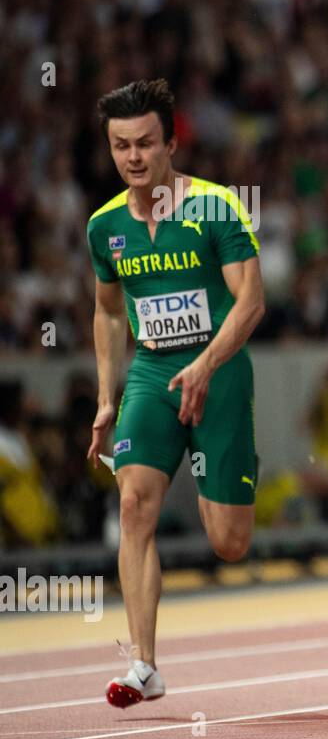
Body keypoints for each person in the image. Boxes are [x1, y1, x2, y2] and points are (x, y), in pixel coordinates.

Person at [86, 79, 264, 705]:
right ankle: (144, 665)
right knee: (134, 505)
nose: (133, 158)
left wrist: (208, 364)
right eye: (120, 146)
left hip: (219, 372)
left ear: (171, 143)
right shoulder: (104, 227)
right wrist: (108, 399)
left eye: (145, 144)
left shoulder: (217, 208)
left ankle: (239, 465)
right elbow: (109, 315)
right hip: (152, 375)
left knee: (229, 543)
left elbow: (251, 301)